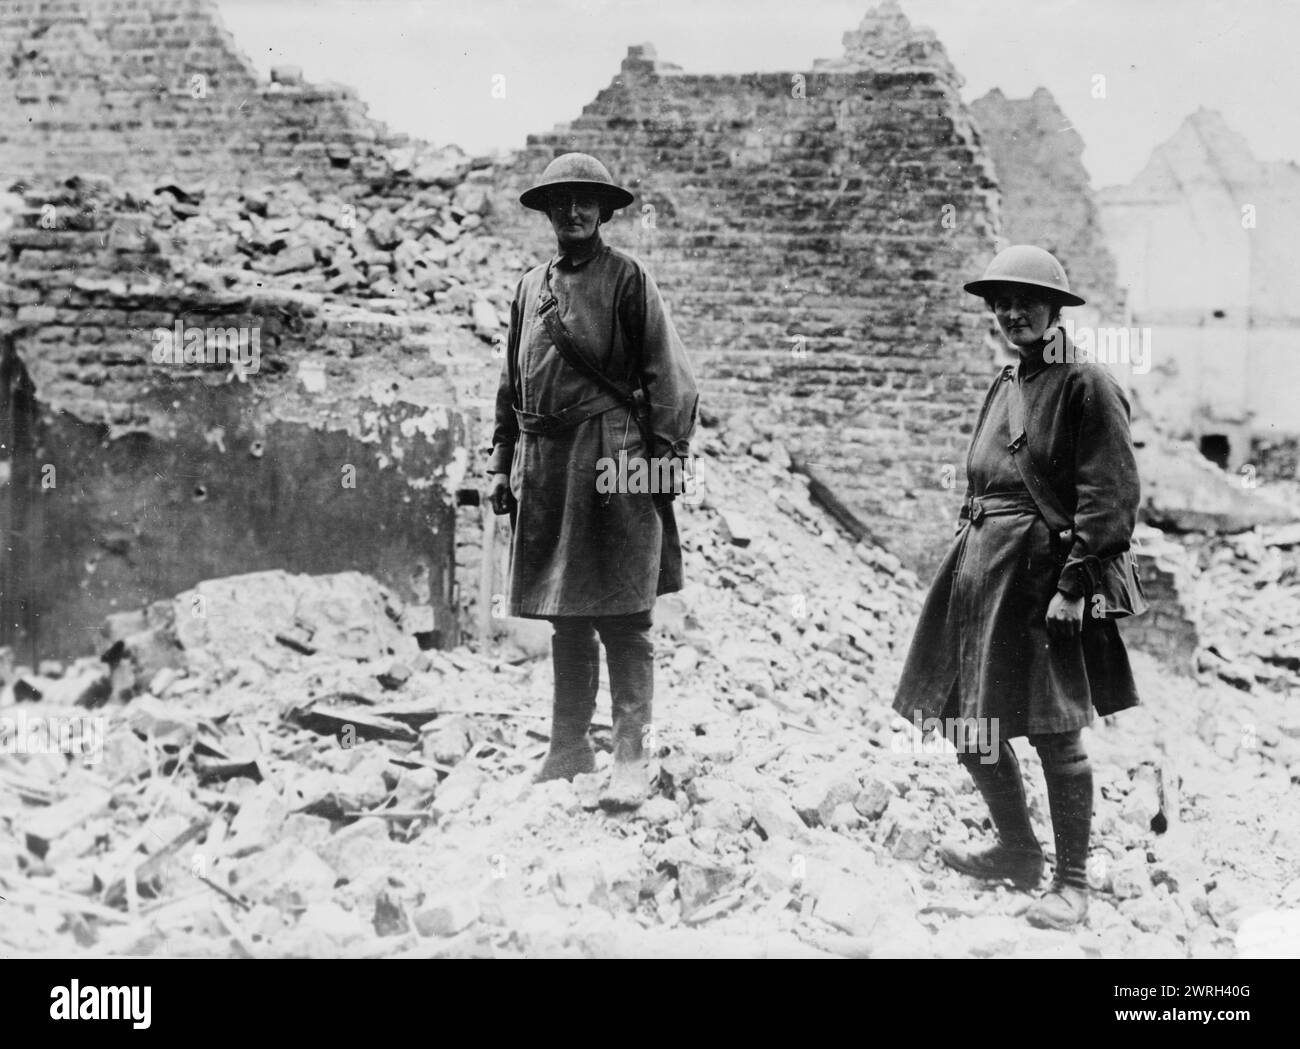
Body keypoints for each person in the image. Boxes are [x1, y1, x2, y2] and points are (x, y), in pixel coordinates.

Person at [891, 245, 1141, 930]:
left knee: (1056, 729)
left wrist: (1074, 583)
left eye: (1027, 299)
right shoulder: (1007, 383)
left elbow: (1110, 493)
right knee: (966, 716)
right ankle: (1016, 849)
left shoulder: (1085, 382)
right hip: (979, 569)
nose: (1011, 311)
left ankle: (1073, 881)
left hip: (1041, 579)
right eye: (1000, 300)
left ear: (1055, 307)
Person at [486, 153, 698, 811]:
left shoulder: (629, 279)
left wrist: (660, 466)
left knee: (624, 614)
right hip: (549, 468)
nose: (574, 212)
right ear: (546, 211)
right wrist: (501, 462)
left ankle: (631, 754)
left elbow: (672, 380)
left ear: (604, 210)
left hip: (616, 463)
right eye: (562, 201)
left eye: (586, 201)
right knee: (565, 614)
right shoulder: (528, 289)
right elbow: (511, 386)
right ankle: (567, 745)